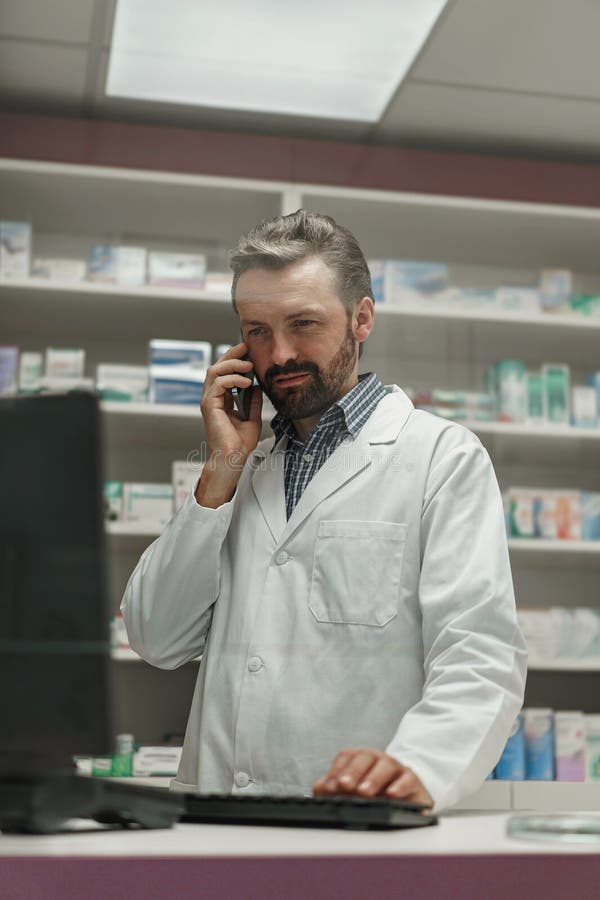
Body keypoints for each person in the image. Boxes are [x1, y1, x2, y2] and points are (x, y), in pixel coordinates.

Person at [121, 210, 527, 813]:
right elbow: (156, 638)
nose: (278, 353)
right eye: (256, 330)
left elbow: (480, 655)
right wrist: (221, 469)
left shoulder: (440, 456)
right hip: (216, 824)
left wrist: (416, 767)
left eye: (303, 323)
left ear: (362, 318)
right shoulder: (242, 468)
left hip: (353, 821)